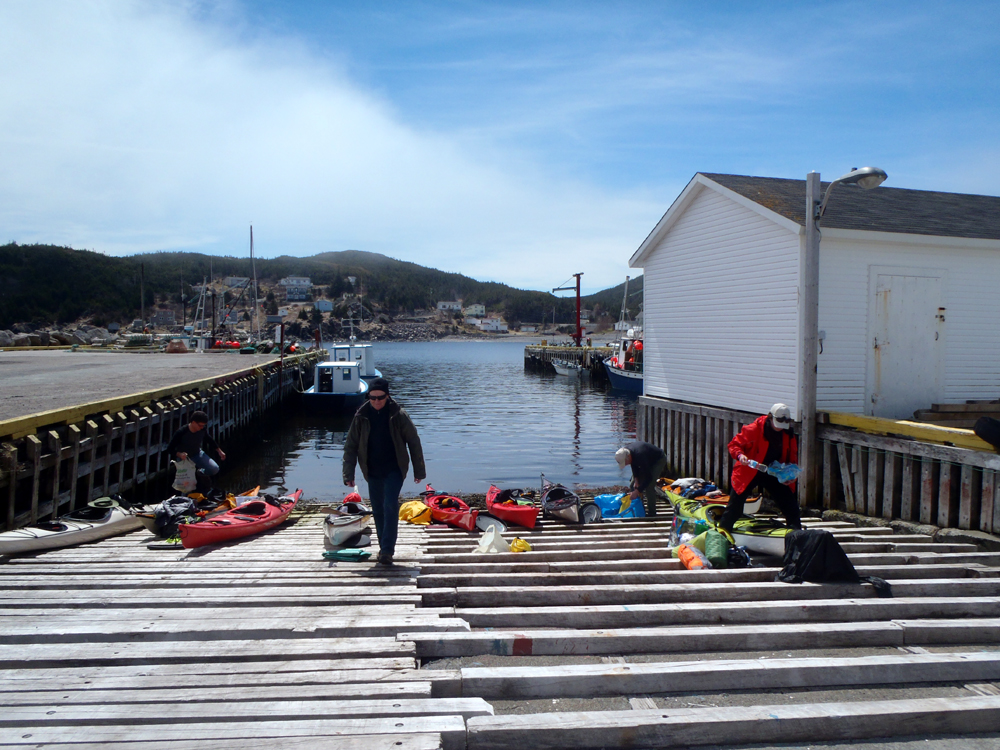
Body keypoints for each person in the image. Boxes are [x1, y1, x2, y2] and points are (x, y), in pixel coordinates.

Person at [343, 377, 426, 566]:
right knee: (378, 509)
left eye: (380, 398)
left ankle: (387, 550)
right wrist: (349, 474)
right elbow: (351, 446)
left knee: (390, 505)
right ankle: (383, 548)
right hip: (372, 469)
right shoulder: (361, 416)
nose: (376, 401)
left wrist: (419, 471)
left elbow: (414, 441)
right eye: (372, 398)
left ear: (387, 396)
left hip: (394, 468)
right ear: (368, 397)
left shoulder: (399, 415)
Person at [718, 403, 802, 533]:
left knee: (790, 506)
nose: (780, 428)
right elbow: (734, 445)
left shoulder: (787, 433)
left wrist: (790, 476)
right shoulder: (754, 429)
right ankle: (723, 531)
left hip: (773, 472)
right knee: (735, 506)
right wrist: (740, 456)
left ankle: (796, 534)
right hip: (750, 470)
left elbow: (792, 458)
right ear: (770, 418)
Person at [166, 410, 226, 485]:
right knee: (186, 484)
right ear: (193, 422)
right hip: (184, 459)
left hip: (197, 454)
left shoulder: (202, 430)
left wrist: (219, 451)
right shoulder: (181, 432)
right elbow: (169, 449)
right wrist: (179, 454)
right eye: (200, 425)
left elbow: (209, 439)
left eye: (203, 425)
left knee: (214, 469)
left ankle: (199, 474)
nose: (202, 427)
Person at [615, 441, 667, 517]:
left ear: (628, 457)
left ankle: (652, 513)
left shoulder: (640, 455)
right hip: (646, 460)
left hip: (658, 460)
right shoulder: (628, 452)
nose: (626, 464)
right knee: (633, 485)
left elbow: (648, 478)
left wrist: (638, 491)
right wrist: (636, 480)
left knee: (649, 486)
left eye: (625, 462)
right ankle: (639, 509)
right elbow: (633, 465)